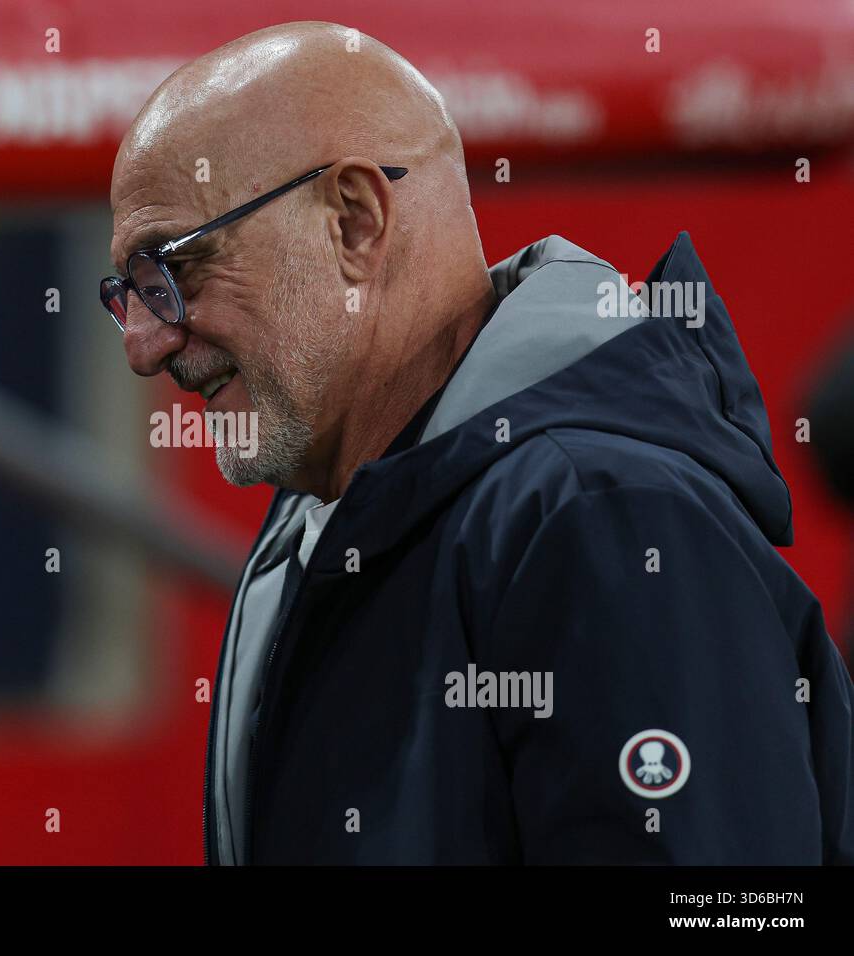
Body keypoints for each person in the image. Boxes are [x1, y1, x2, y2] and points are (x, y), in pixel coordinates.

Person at [99, 22, 854, 864]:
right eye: (125, 294)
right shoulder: (316, 528)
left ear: (353, 221)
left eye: (172, 272)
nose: (144, 345)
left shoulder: (608, 518)